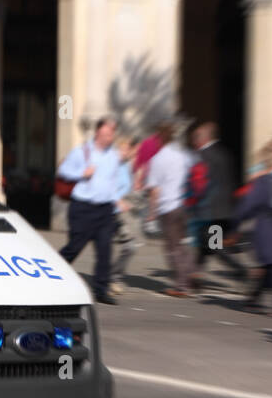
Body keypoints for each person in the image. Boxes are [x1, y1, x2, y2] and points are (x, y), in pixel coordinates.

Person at [57, 116, 130, 304]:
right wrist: (82, 173)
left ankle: (101, 289)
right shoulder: (82, 151)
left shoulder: (113, 156)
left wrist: (118, 201)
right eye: (106, 133)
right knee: (75, 247)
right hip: (83, 208)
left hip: (105, 210)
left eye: (112, 134)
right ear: (98, 132)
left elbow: (111, 183)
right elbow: (63, 171)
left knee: (105, 250)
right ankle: (53, 273)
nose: (109, 137)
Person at [233, 142, 272, 317]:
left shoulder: (262, 182)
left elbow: (248, 206)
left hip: (266, 229)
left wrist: (236, 223)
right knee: (270, 266)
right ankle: (253, 299)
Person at [144, 119, 197, 297]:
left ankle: (182, 286)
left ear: (160, 139)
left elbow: (155, 190)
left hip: (167, 207)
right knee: (183, 244)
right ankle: (190, 273)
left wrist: (151, 214)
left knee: (172, 248)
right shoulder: (183, 155)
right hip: (182, 205)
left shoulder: (158, 159)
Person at [191, 121, 246, 283]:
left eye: (195, 138)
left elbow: (200, 184)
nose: (194, 142)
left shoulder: (202, 156)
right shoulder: (225, 153)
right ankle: (195, 277)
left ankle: (240, 269)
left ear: (202, 139)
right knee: (205, 243)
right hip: (226, 208)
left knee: (213, 244)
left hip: (211, 210)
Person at [109, 136, 139, 296]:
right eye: (130, 149)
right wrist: (118, 201)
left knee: (130, 246)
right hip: (106, 211)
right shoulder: (112, 164)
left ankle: (113, 278)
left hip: (117, 214)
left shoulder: (126, 165)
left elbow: (126, 187)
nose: (133, 153)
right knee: (81, 243)